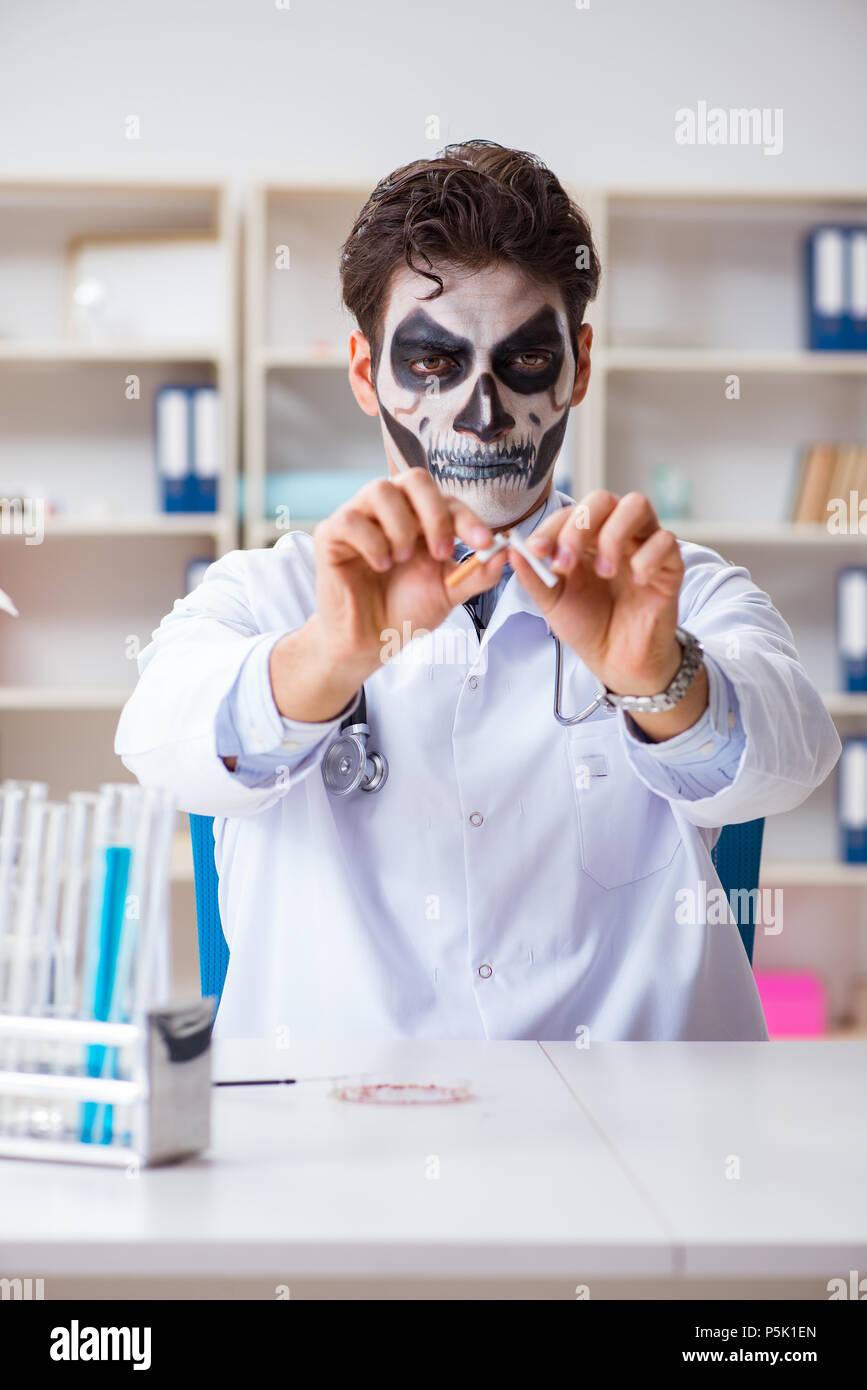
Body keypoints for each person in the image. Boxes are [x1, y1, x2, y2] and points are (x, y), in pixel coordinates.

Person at [115, 140, 841, 1042]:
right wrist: (329, 658)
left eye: (524, 361)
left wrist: (657, 677)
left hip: (642, 1137)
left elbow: (793, 755)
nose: (483, 413)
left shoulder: (671, 586)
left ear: (576, 363)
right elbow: (158, 738)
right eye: (432, 363)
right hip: (334, 1138)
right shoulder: (264, 592)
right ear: (363, 370)